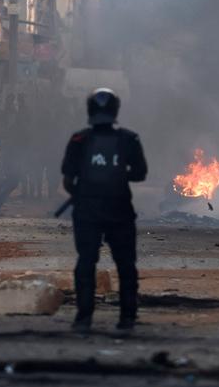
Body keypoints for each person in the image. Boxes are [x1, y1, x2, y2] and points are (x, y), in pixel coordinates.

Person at [61, 88, 147, 333]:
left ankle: (83, 319)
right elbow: (140, 173)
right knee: (126, 265)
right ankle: (127, 319)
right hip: (119, 208)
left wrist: (84, 189)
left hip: (87, 210)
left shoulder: (79, 139)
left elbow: (68, 180)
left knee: (86, 262)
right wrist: (119, 176)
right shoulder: (129, 139)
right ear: (115, 111)